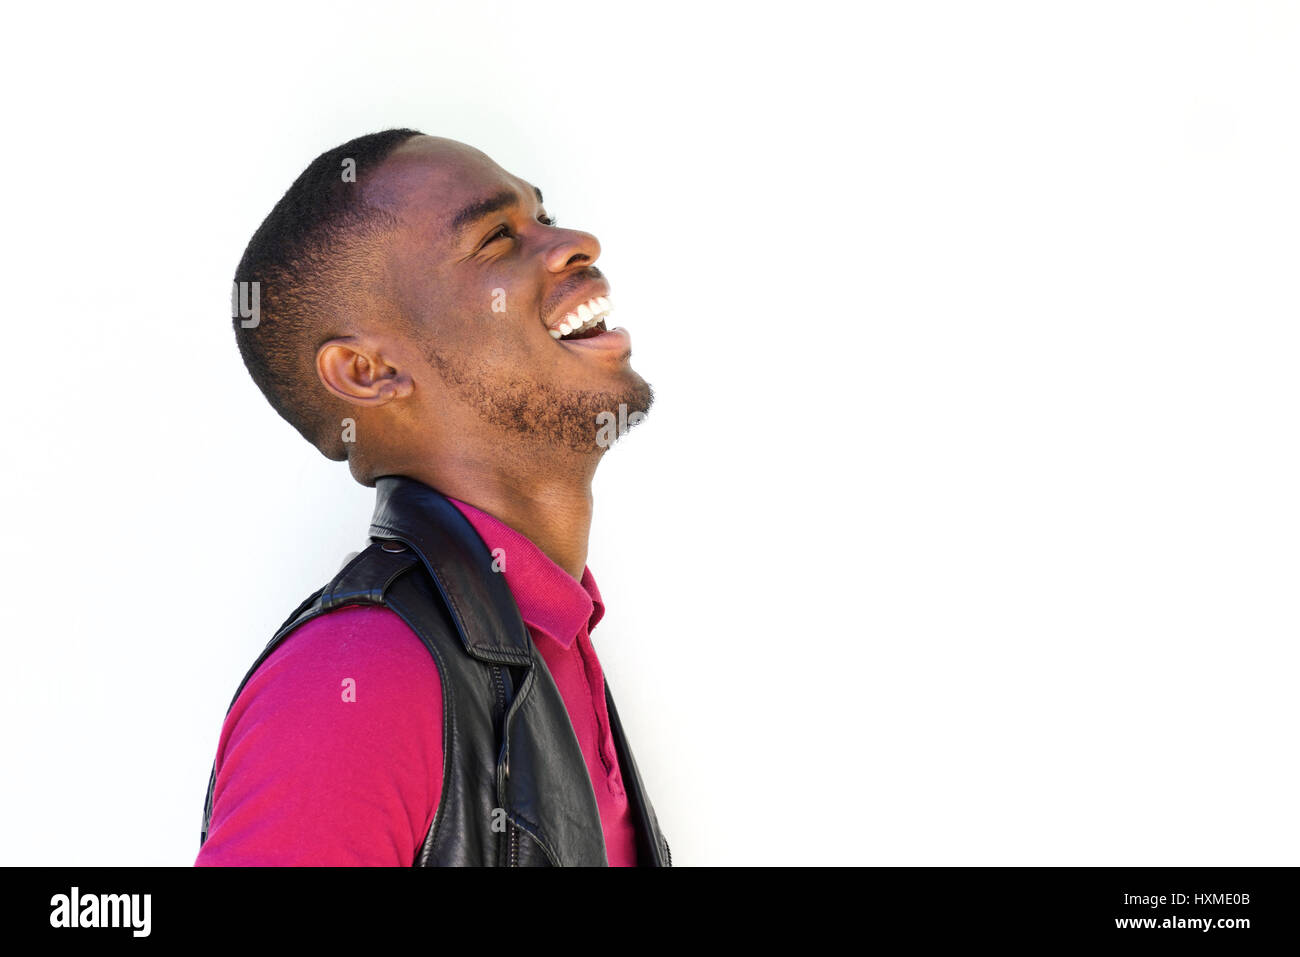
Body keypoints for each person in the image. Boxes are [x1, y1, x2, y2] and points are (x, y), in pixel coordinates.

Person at [196, 129, 668, 866]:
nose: (578, 241)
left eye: (543, 214)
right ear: (367, 371)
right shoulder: (359, 678)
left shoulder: (550, 634)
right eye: (495, 237)